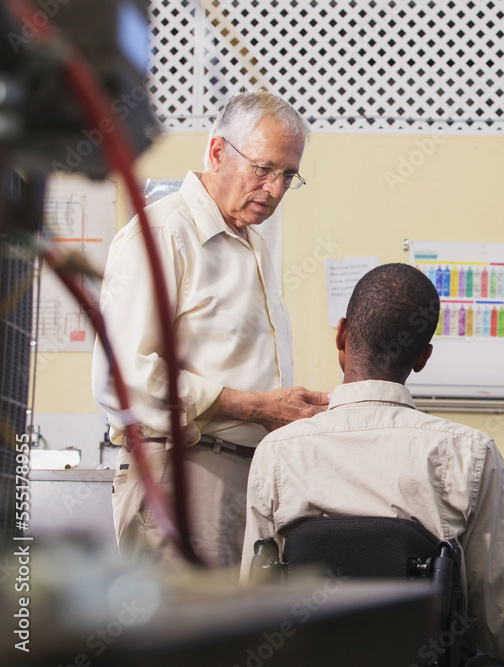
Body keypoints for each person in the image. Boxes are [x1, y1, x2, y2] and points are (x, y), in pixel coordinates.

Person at [240, 263, 504, 662]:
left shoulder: (277, 452)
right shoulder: (473, 454)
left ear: (341, 335)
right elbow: (501, 634)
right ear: (423, 358)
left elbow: (253, 614)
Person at [93, 90, 329, 571]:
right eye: (263, 168)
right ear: (218, 152)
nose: (276, 188)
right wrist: (257, 406)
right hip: (182, 473)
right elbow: (122, 376)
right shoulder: (163, 234)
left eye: (288, 175)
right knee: (180, 639)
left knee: (227, 641)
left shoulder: (252, 245)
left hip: (245, 477)